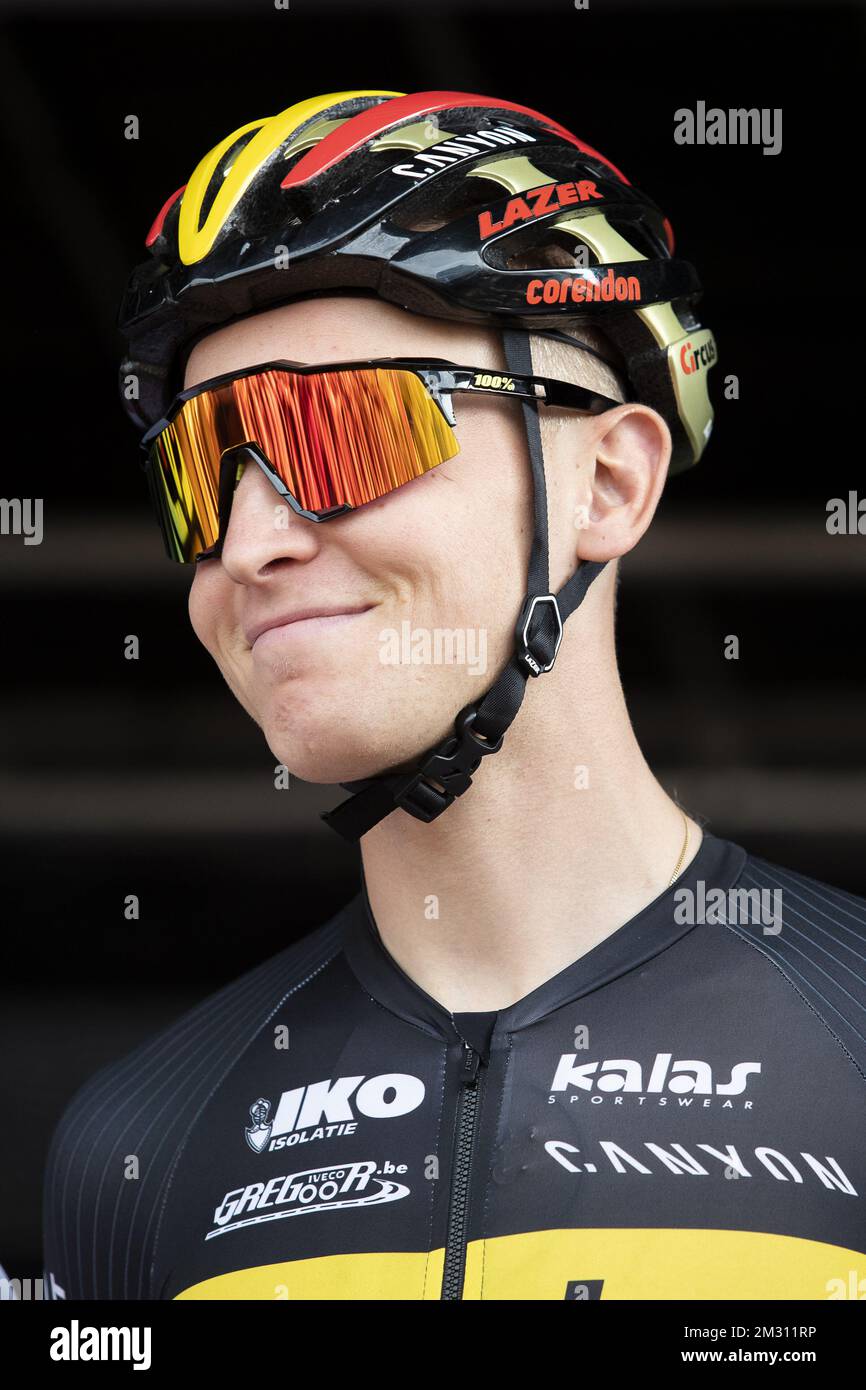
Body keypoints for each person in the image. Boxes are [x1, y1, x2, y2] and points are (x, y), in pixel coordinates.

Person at [43, 89, 866, 1301]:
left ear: (606, 481)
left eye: (341, 430)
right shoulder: (131, 1152)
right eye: (197, 474)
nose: (251, 541)